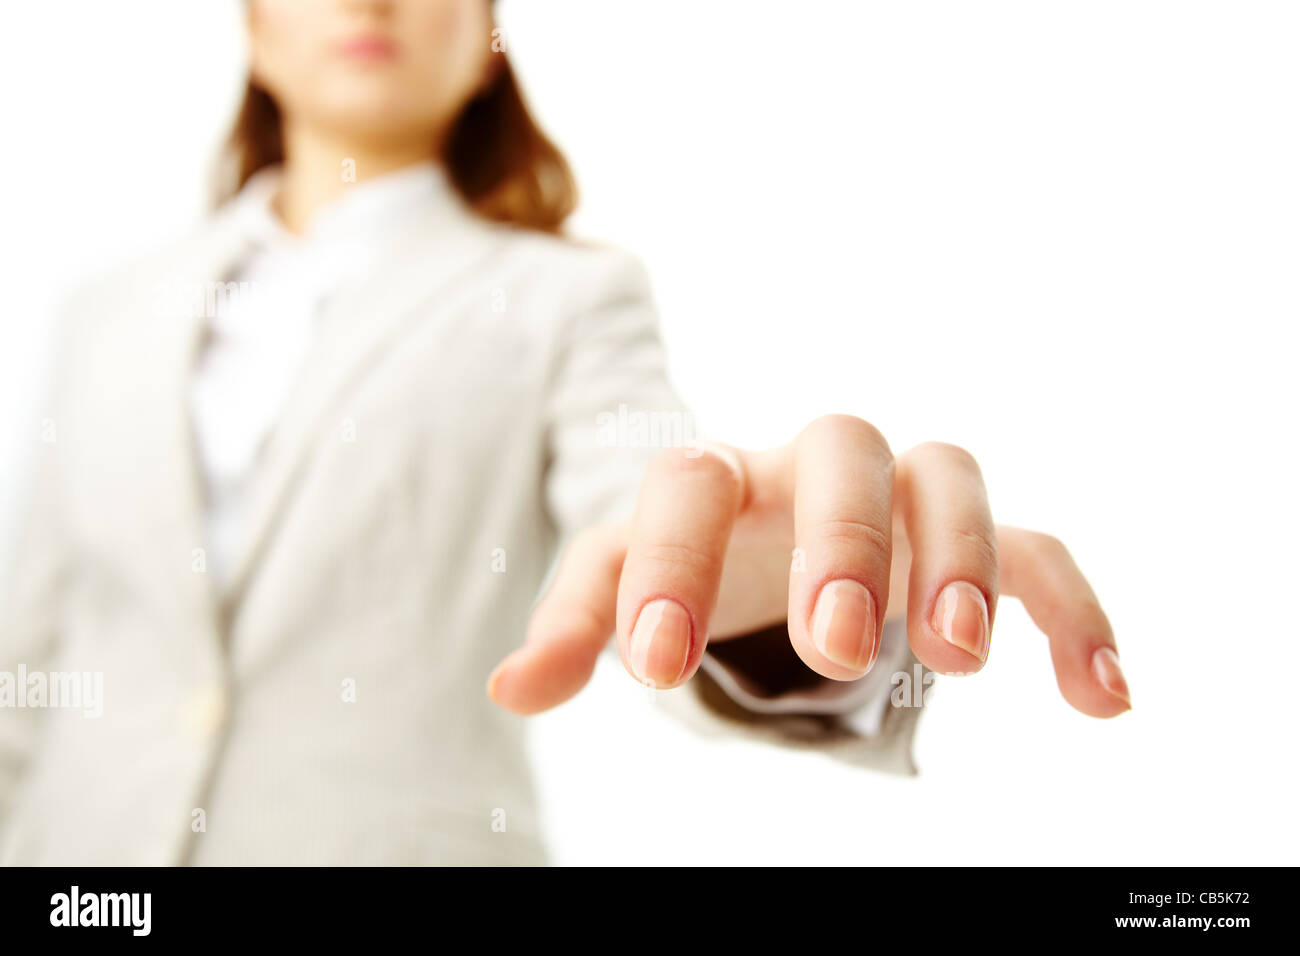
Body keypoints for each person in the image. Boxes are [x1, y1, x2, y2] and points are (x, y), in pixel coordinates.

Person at [0, 0, 1129, 866]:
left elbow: (648, 530)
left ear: (487, 31)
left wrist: (756, 593)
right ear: (252, 27)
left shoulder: (565, 299)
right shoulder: (108, 308)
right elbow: (28, 648)